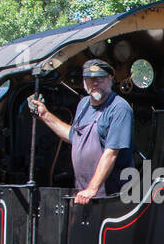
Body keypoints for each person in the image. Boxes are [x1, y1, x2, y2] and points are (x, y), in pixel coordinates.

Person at [27, 59, 134, 204]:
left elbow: (111, 153)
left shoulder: (119, 108)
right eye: (89, 79)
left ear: (110, 78)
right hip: (84, 192)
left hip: (112, 196)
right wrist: (45, 115)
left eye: (99, 78)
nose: (94, 82)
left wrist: (92, 188)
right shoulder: (83, 104)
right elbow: (74, 136)